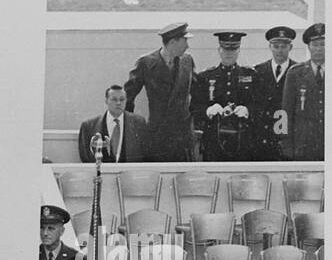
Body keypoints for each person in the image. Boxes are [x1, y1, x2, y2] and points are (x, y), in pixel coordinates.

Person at [123, 22, 196, 162]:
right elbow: (128, 96)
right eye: (185, 41)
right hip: (158, 135)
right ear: (173, 42)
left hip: (183, 137)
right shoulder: (146, 63)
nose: (187, 46)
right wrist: (131, 125)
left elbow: (197, 92)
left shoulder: (188, 61)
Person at [192, 32, 257, 162]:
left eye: (233, 50)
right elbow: (194, 108)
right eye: (225, 49)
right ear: (219, 50)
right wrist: (208, 110)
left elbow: (260, 105)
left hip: (242, 141)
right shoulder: (205, 77)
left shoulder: (251, 75)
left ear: (238, 51)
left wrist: (248, 110)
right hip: (214, 141)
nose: (229, 53)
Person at [250, 25, 296, 162]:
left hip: (286, 137)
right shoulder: (258, 71)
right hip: (262, 138)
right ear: (270, 47)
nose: (280, 51)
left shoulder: (298, 72)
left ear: (290, 47)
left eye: (284, 46)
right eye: (276, 46)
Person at [281, 22, 324, 162]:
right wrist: (286, 146)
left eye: (323, 44)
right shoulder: (295, 73)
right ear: (309, 47)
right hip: (303, 145)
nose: (319, 49)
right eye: (315, 45)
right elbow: (285, 112)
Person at [78, 83, 151, 163]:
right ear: (106, 100)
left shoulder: (139, 123)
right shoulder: (89, 126)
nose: (118, 103)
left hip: (129, 173)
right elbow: (85, 155)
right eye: (114, 99)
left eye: (122, 99)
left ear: (126, 101)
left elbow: (145, 153)